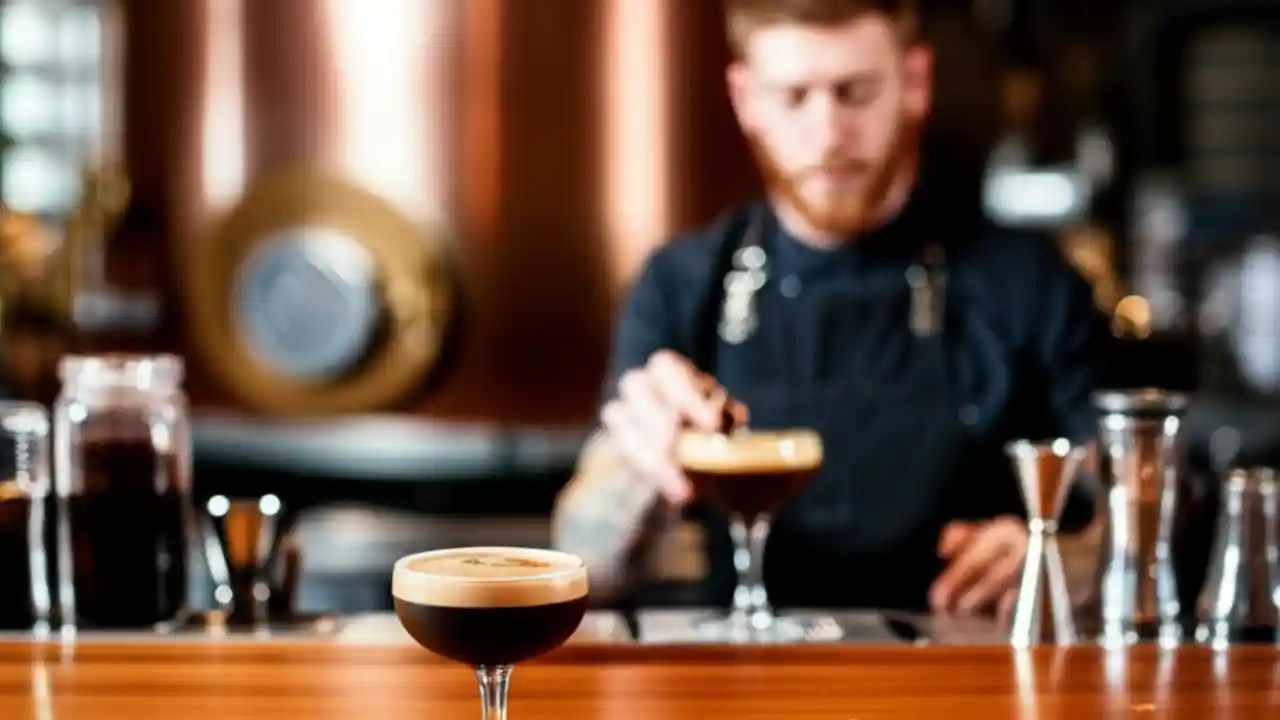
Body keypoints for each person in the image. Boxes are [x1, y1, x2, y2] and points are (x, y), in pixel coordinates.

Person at [552, 0, 1106, 617]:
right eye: (794, 97)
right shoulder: (680, 285)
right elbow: (587, 570)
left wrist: (1077, 557)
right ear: (746, 101)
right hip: (739, 680)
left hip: (963, 670)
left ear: (914, 83)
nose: (829, 134)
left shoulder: (1029, 283)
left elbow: (1136, 494)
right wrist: (637, 466)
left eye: (856, 92)